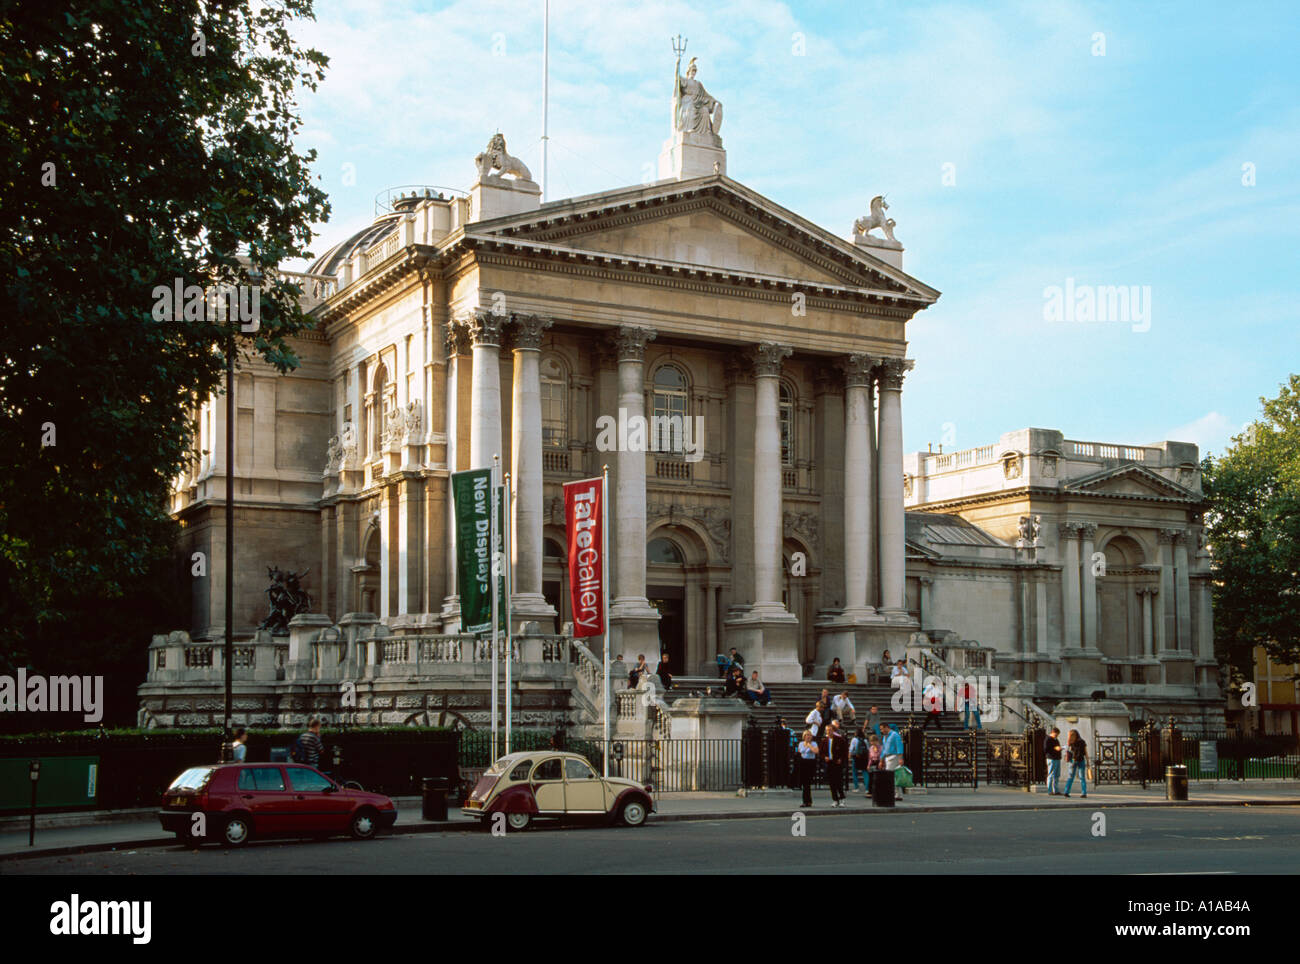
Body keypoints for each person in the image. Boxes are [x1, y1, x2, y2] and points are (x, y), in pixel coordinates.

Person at [823, 720, 849, 807]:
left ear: (833, 730)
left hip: (837, 763)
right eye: (827, 730)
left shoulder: (839, 740)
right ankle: (835, 799)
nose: (828, 732)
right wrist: (824, 757)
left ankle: (842, 799)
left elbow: (845, 751)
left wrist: (841, 759)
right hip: (829, 763)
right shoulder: (825, 740)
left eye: (830, 730)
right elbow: (821, 752)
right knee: (831, 782)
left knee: (838, 781)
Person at [880, 721, 904, 800]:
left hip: (894, 756)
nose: (881, 731)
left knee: (890, 776)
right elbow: (884, 748)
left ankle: (894, 793)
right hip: (887, 757)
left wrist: (900, 758)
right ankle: (898, 794)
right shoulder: (884, 736)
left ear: (887, 727)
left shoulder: (895, 735)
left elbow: (899, 746)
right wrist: (881, 759)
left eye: (882, 729)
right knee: (894, 776)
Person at [1063, 728, 1088, 798]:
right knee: (1082, 777)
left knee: (1070, 777)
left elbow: (1068, 751)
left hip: (1073, 761)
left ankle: (1066, 791)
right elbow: (1086, 753)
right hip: (1081, 760)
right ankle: (1084, 793)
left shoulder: (1070, 742)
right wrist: (1088, 762)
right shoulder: (1082, 742)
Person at [849, 726, 870, 791]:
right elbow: (868, 749)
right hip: (864, 757)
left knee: (855, 772)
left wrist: (849, 756)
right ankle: (867, 788)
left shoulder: (854, 739)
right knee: (865, 772)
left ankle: (856, 787)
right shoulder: (865, 740)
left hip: (856, 757)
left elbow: (851, 749)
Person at [1044, 726, 1063, 795]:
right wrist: (1055, 749)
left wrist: (1060, 749)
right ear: (1053, 732)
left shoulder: (1056, 740)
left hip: (1057, 758)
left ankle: (1056, 790)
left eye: (1058, 734)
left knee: (1057, 775)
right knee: (1051, 774)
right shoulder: (1048, 739)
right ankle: (1049, 790)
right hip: (1051, 759)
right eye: (1056, 734)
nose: (1057, 736)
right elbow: (1046, 749)